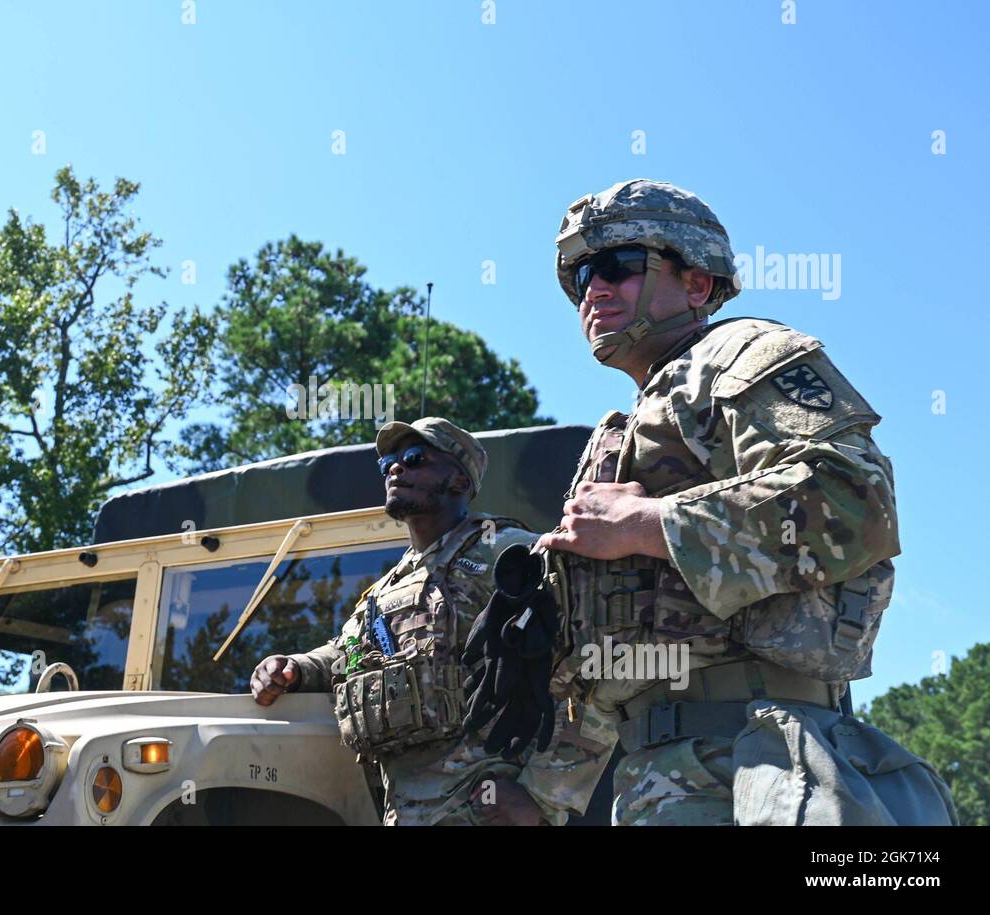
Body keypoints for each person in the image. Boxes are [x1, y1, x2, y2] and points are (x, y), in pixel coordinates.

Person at [531, 178, 957, 825]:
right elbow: (619, 650)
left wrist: (648, 523)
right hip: (655, 772)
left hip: (754, 760)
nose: (593, 287)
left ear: (697, 284)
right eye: (582, 274)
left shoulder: (742, 354)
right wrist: (543, 793)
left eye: (617, 265)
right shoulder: (620, 430)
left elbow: (855, 501)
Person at [250, 416, 582, 825]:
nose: (395, 468)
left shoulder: (508, 554)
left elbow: (591, 661)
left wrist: (545, 795)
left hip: (487, 807)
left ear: (460, 482)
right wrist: (295, 668)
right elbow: (347, 651)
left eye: (415, 458)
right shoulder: (389, 586)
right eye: (387, 462)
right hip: (405, 811)